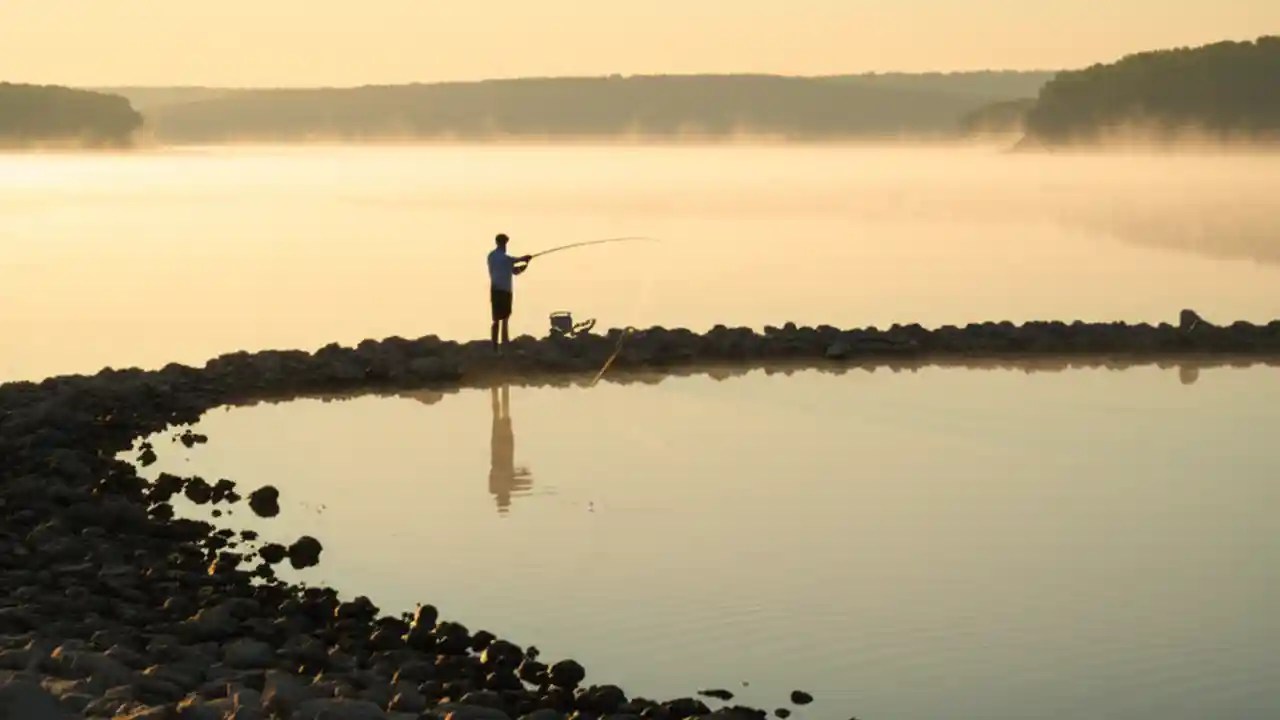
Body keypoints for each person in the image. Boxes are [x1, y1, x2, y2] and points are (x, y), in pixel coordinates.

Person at [487, 233, 532, 353]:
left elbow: (514, 270)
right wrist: (526, 259)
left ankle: (495, 346)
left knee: (496, 318)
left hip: (495, 289)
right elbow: (515, 262)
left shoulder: (491, 256)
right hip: (505, 290)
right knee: (505, 318)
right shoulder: (505, 258)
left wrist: (525, 265)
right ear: (503, 243)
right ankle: (504, 343)